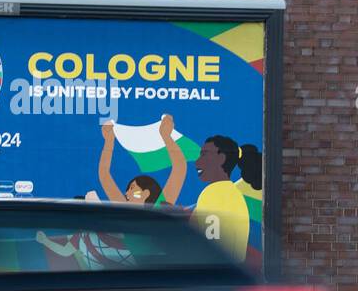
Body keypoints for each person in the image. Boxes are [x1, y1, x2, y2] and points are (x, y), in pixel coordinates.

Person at [163, 132, 262, 265]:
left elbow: (211, 244)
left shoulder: (214, 194)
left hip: (217, 275)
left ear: (221, 158)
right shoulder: (230, 192)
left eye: (204, 154)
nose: (197, 161)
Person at [97, 114, 186, 205]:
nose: (126, 193)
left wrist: (166, 136)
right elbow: (104, 174)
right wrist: (109, 141)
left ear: (146, 193)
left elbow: (179, 167)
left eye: (132, 188)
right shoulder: (125, 208)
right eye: (128, 190)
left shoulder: (159, 208)